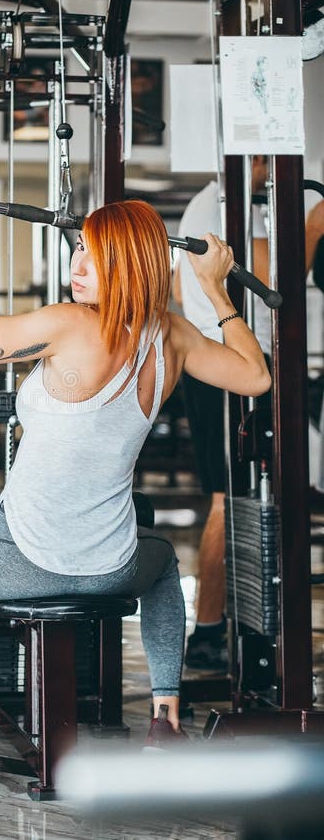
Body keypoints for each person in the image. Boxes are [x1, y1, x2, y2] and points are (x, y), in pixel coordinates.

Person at [0, 176, 270, 774]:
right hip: (115, 567)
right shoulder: (171, 336)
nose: (78, 265)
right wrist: (216, 290)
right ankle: (166, 720)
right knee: (163, 563)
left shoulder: (69, 325)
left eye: (96, 258)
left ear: (129, 265)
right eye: (79, 251)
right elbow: (256, 376)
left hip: (26, 560)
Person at [173, 160, 324, 669]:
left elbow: (179, 291)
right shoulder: (220, 209)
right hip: (231, 369)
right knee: (230, 497)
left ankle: (230, 628)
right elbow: (281, 278)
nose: (268, 166)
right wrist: (314, 225)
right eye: (263, 156)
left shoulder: (222, 207)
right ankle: (210, 631)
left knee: (243, 496)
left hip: (225, 363)